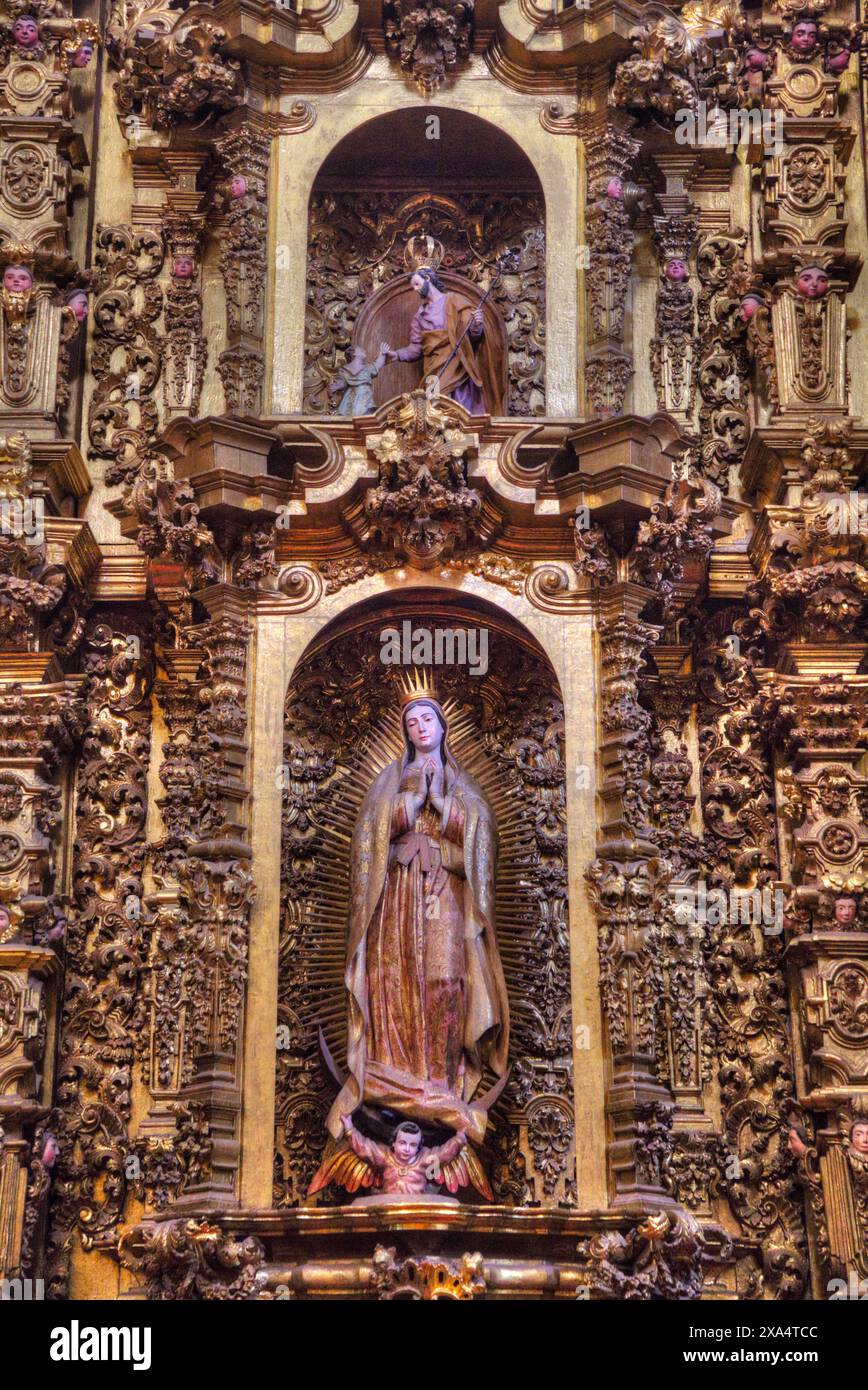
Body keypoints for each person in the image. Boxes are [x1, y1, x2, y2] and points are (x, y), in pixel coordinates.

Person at [385, 266, 504, 416]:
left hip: (459, 366)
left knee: (459, 410)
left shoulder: (455, 301)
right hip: (434, 370)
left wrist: (477, 325)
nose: (415, 289)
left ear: (427, 279)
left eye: (417, 284)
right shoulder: (419, 317)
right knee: (433, 409)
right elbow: (416, 349)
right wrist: (397, 354)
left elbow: (473, 337)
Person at [340, 1115, 466, 1196]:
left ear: (418, 1146)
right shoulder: (385, 1157)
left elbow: (444, 1153)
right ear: (394, 1143)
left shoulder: (424, 1158)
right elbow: (365, 1148)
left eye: (412, 1145)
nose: (407, 1149)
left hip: (415, 1209)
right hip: (389, 1207)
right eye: (402, 1143)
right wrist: (350, 1130)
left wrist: (459, 1139)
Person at [330, 343, 389, 416]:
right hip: (350, 398)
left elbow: (378, 364)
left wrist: (382, 354)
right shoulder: (344, 369)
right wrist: (337, 386)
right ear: (353, 354)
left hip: (365, 397)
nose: (364, 351)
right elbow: (342, 381)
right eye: (361, 350)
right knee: (347, 417)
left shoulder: (367, 367)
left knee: (366, 416)